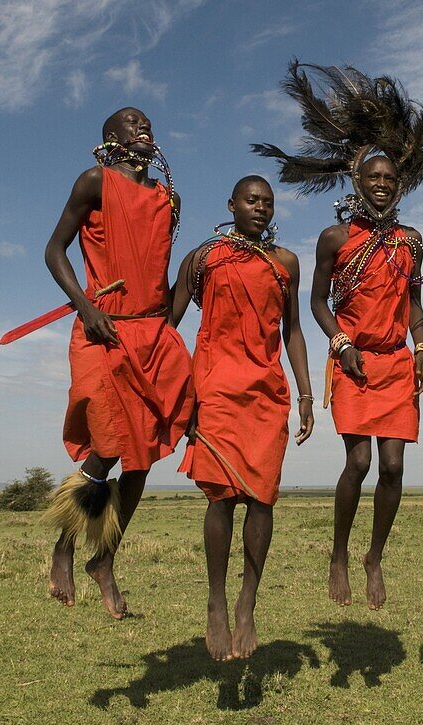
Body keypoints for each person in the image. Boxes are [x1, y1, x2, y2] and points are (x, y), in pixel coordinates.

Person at [253, 61, 423, 609]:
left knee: (392, 467)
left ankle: (374, 557)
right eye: (373, 179)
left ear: (398, 185)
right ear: (357, 182)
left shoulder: (411, 240)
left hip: (396, 363)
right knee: (359, 463)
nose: (382, 186)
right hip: (353, 362)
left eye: (390, 180)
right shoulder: (335, 237)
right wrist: (341, 343)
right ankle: (338, 553)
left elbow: (415, 303)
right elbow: (316, 301)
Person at [42, 107, 193, 620]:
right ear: (109, 137)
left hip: (152, 335)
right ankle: (65, 542)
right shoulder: (93, 182)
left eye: (147, 120)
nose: (143, 124)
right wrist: (87, 307)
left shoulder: (167, 198)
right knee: (106, 445)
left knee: (142, 458)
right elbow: (54, 250)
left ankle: (104, 559)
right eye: (130, 121)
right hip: (102, 330)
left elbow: (160, 275)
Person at [170, 175, 314, 661]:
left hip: (266, 393)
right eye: (252, 201)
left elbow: (293, 331)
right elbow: (169, 324)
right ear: (231, 204)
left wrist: (307, 394)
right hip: (214, 387)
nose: (260, 208)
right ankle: (215, 601)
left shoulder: (285, 263)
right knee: (220, 497)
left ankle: (247, 602)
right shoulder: (204, 258)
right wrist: (173, 390)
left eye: (268, 203)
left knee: (262, 497)